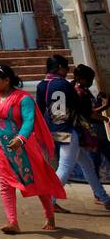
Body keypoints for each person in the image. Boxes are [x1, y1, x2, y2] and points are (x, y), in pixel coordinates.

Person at [0, 63, 65, 234]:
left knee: (36, 180)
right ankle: (13, 222)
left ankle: (49, 213)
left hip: (23, 147)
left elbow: (29, 121)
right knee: (5, 182)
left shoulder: (24, 99)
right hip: (0, 145)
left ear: (7, 80)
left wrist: (20, 139)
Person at [35, 54, 92, 213]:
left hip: (49, 131)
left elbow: (39, 110)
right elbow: (79, 107)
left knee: (86, 163)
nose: (68, 71)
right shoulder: (64, 85)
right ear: (59, 67)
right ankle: (50, 200)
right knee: (65, 167)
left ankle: (101, 195)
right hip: (66, 130)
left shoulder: (41, 85)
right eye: (66, 67)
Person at [69, 64, 110, 207]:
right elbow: (89, 113)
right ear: (82, 78)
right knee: (68, 169)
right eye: (90, 79)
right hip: (86, 134)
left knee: (90, 166)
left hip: (86, 134)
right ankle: (51, 199)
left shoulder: (78, 90)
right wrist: (105, 110)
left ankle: (102, 196)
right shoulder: (79, 92)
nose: (91, 81)